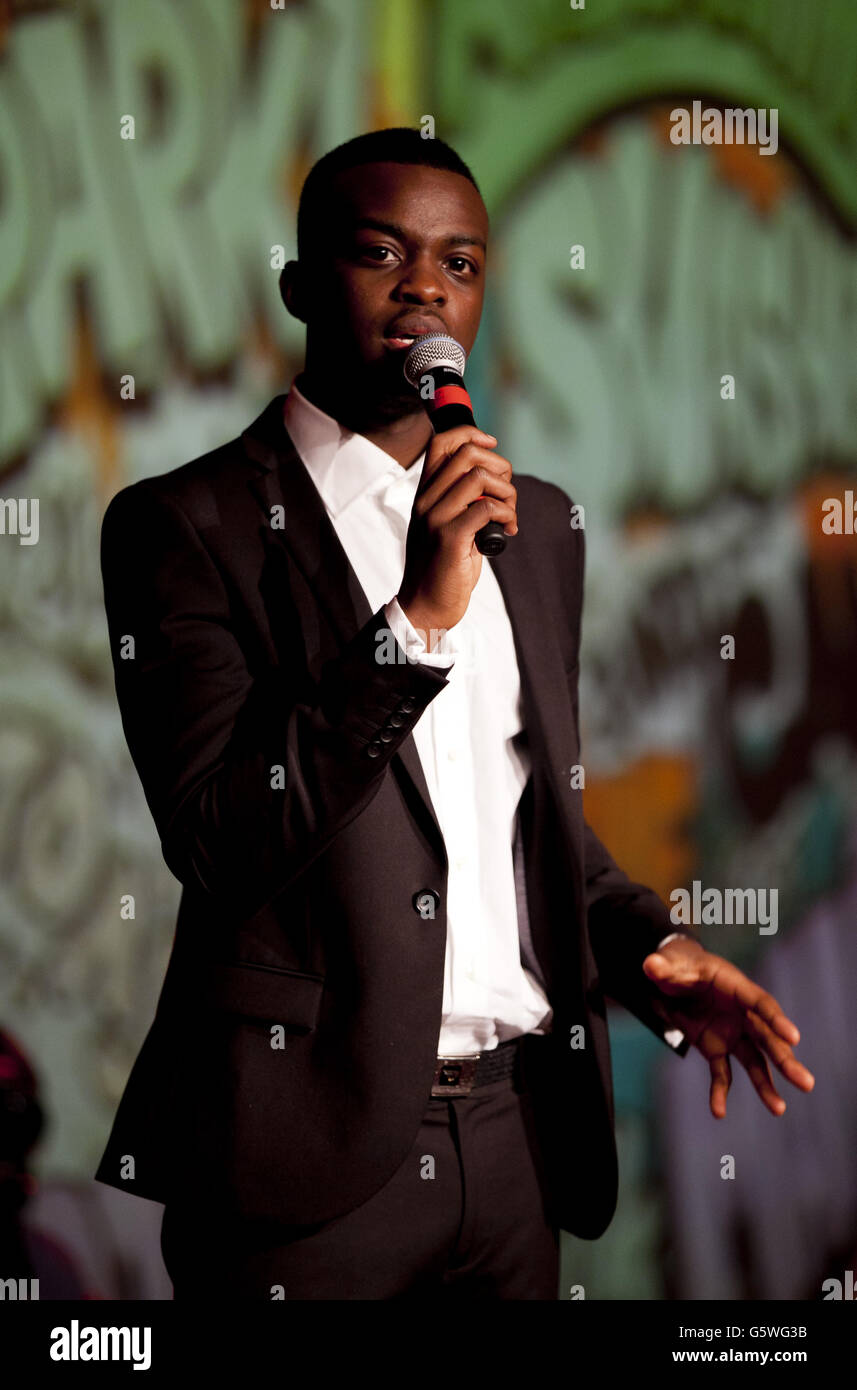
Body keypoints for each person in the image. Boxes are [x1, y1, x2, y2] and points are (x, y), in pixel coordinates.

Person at [94, 128, 814, 1300]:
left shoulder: (536, 523)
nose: (425, 286)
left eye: (460, 264)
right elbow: (221, 836)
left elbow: (521, 815)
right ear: (298, 286)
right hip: (306, 1164)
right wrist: (415, 623)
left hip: (516, 1137)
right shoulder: (188, 525)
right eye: (381, 252)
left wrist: (645, 946)